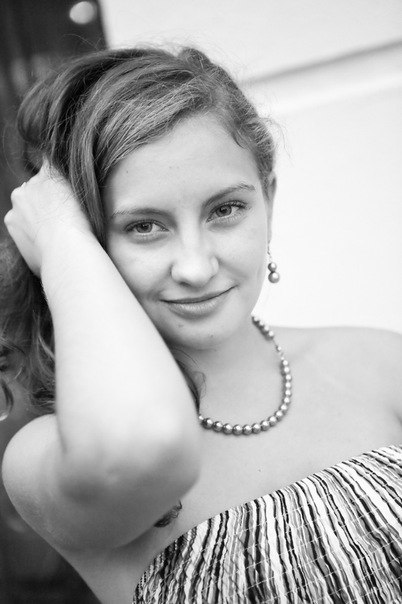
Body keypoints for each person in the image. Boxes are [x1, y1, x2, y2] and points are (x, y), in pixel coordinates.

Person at [0, 46, 401, 604]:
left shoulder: (382, 364)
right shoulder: (44, 456)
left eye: (226, 210)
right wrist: (60, 237)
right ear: (88, 244)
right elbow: (142, 449)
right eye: (143, 226)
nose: (196, 266)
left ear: (268, 200)